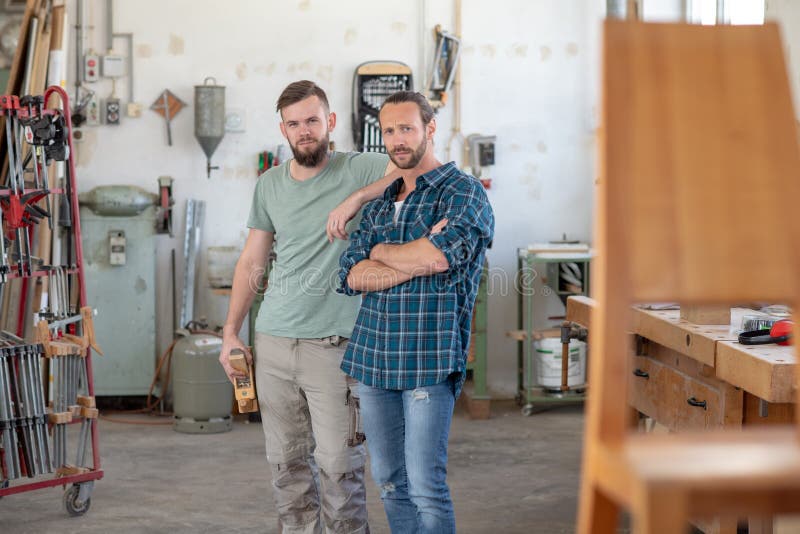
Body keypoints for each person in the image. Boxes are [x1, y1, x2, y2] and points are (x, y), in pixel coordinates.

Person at [219, 79, 399, 534]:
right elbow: (252, 262)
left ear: (330, 122)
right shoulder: (269, 185)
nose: (304, 131)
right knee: (286, 468)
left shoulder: (360, 168)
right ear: (283, 130)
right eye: (294, 124)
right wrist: (230, 332)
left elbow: (417, 169)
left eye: (312, 121)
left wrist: (358, 197)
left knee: (340, 469)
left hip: (334, 347)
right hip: (274, 344)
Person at [337, 91, 495, 534]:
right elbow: (351, 275)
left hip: (428, 358)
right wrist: (414, 257)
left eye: (406, 128)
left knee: (425, 484)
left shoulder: (463, 193)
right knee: (388, 481)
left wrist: (380, 252)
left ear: (429, 129)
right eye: (389, 131)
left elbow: (442, 259)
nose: (397, 139)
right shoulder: (381, 202)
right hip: (372, 360)